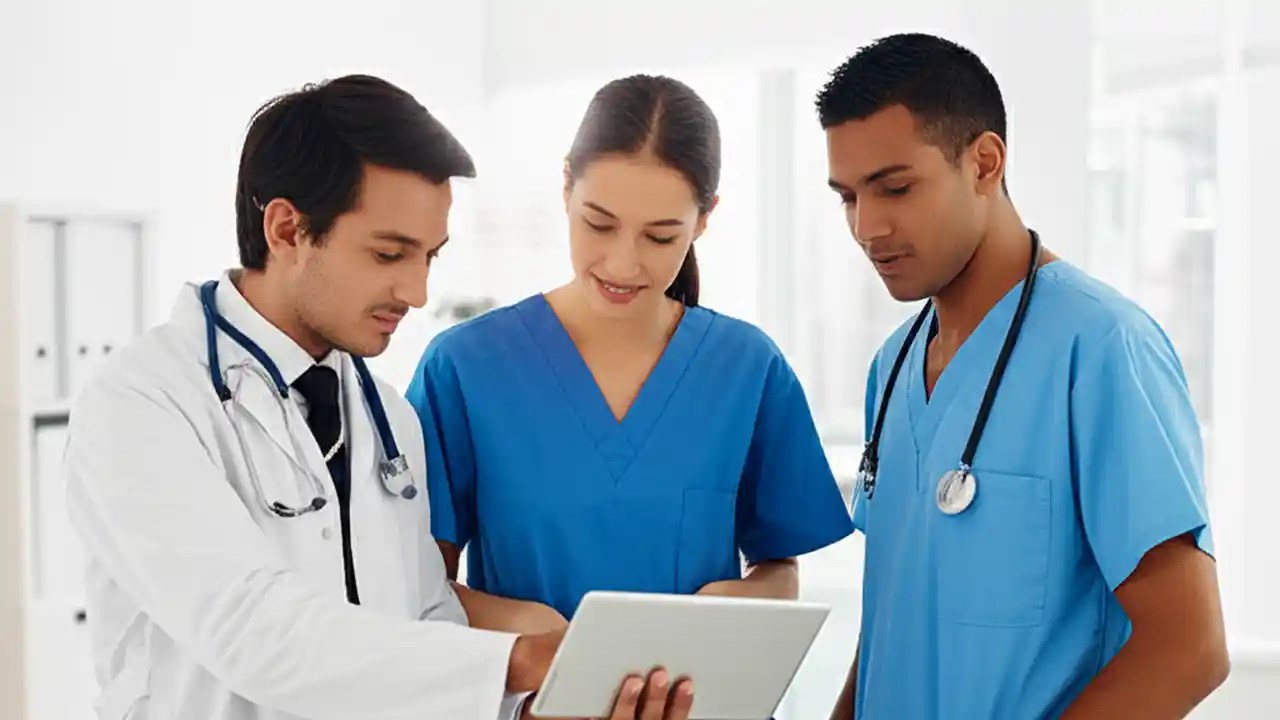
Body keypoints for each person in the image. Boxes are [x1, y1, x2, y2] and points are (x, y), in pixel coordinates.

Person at [64, 74, 690, 720]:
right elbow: (251, 630)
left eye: (430, 257)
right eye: (390, 254)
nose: (416, 292)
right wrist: (520, 659)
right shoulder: (143, 403)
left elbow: (424, 620)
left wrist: (535, 711)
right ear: (286, 229)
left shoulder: (387, 416)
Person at [817, 33, 1229, 719]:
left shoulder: (1100, 349)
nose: (868, 226)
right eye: (847, 197)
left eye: (895, 187)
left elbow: (1188, 648)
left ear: (984, 162)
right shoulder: (891, 369)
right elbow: (893, 618)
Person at [406, 74, 853, 634]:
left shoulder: (747, 370)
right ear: (566, 186)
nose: (622, 264)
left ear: (705, 218)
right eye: (599, 224)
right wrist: (537, 635)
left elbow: (779, 570)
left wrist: (737, 607)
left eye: (660, 237)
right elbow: (417, 590)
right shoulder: (465, 369)